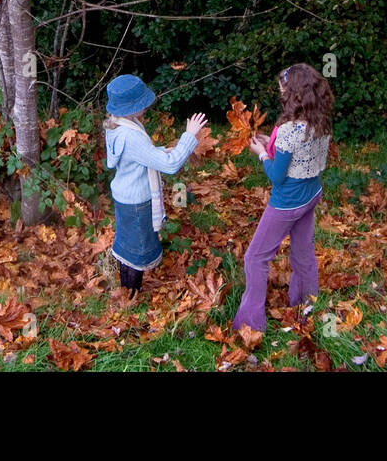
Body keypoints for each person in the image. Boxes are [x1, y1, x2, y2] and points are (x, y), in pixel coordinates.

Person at [232, 63, 334, 332]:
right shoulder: (318, 121)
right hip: (311, 193)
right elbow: (297, 155)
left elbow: (278, 176)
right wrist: (272, 143)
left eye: (283, 91)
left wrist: (263, 154)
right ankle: (308, 302)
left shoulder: (291, 130)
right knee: (302, 251)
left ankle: (250, 325)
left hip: (288, 201)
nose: (280, 95)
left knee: (255, 258)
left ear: (295, 94)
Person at [103, 74, 208, 297]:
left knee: (127, 247)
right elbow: (170, 166)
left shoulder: (115, 126)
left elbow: (137, 157)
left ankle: (127, 293)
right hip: (137, 203)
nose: (146, 107)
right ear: (132, 108)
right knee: (137, 251)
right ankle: (131, 297)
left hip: (124, 197)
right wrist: (189, 136)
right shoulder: (132, 136)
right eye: (141, 104)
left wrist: (158, 152)